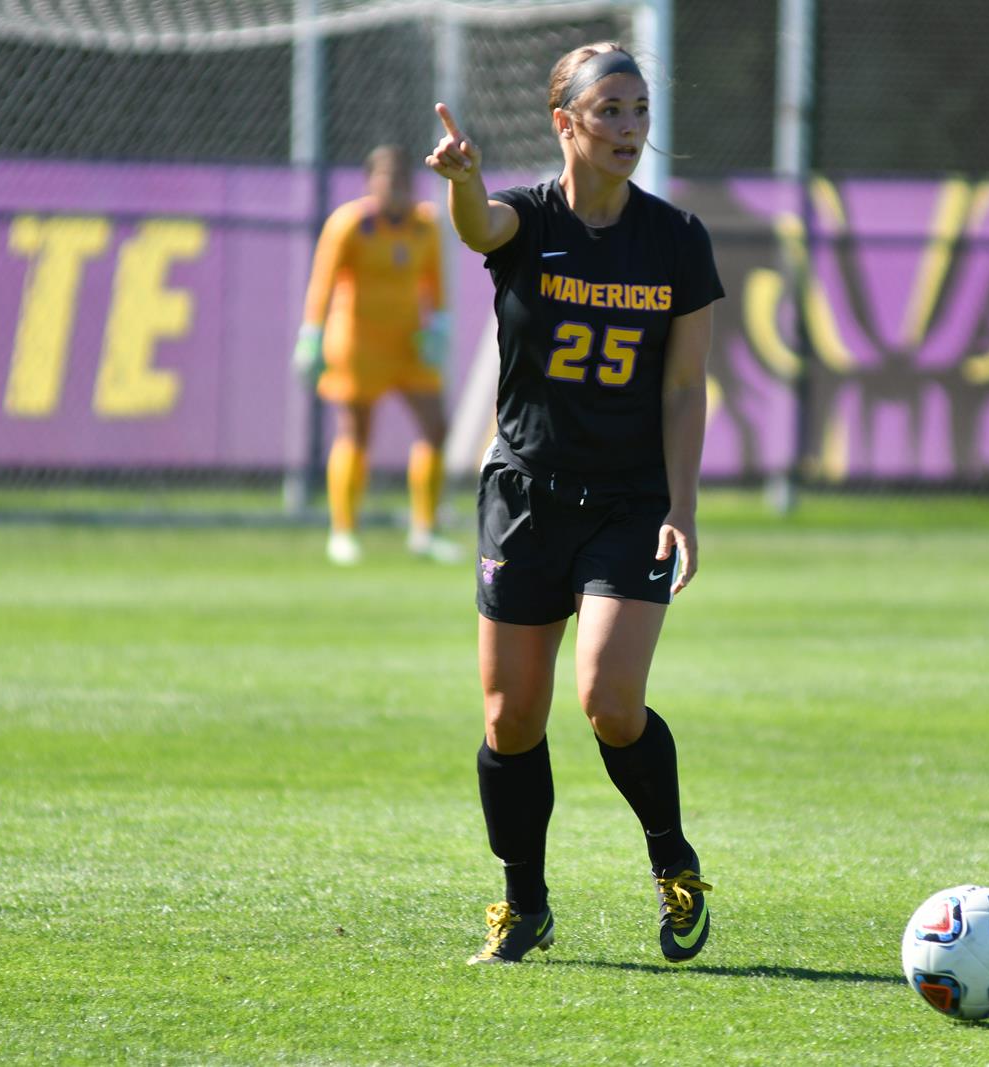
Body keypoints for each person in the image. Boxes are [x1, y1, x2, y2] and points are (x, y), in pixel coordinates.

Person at [425, 42, 723, 965]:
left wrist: (685, 503)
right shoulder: (528, 217)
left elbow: (683, 387)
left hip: (630, 501)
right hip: (524, 493)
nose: (630, 128)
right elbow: (479, 230)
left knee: (609, 699)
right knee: (511, 718)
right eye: (611, 112)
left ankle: (674, 865)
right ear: (567, 123)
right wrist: (462, 182)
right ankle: (524, 905)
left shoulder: (676, 237)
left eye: (639, 110)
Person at [295, 144, 461, 566]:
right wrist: (311, 334)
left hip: (409, 343)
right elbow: (323, 283)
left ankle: (425, 529)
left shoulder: (425, 225)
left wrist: (439, 326)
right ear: (371, 184)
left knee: (437, 428)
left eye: (402, 182)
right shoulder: (350, 224)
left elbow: (435, 283)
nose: (395, 191)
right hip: (357, 343)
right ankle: (344, 531)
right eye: (387, 182)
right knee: (356, 433)